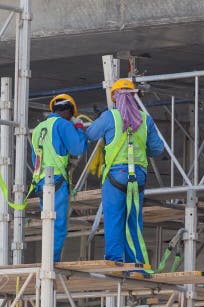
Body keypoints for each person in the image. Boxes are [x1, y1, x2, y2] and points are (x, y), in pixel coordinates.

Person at [86, 79, 164, 265]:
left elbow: (90, 135)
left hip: (116, 176)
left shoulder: (110, 116)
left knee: (114, 218)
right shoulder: (145, 119)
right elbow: (157, 149)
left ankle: (114, 260)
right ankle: (136, 262)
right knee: (134, 220)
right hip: (139, 177)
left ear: (114, 97)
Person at [31, 93, 88, 262]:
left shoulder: (39, 129)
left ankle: (47, 261)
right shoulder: (63, 124)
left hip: (41, 183)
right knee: (59, 226)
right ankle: (51, 263)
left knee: (48, 224)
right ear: (69, 111)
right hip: (57, 182)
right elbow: (78, 148)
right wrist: (78, 129)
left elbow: (36, 159)